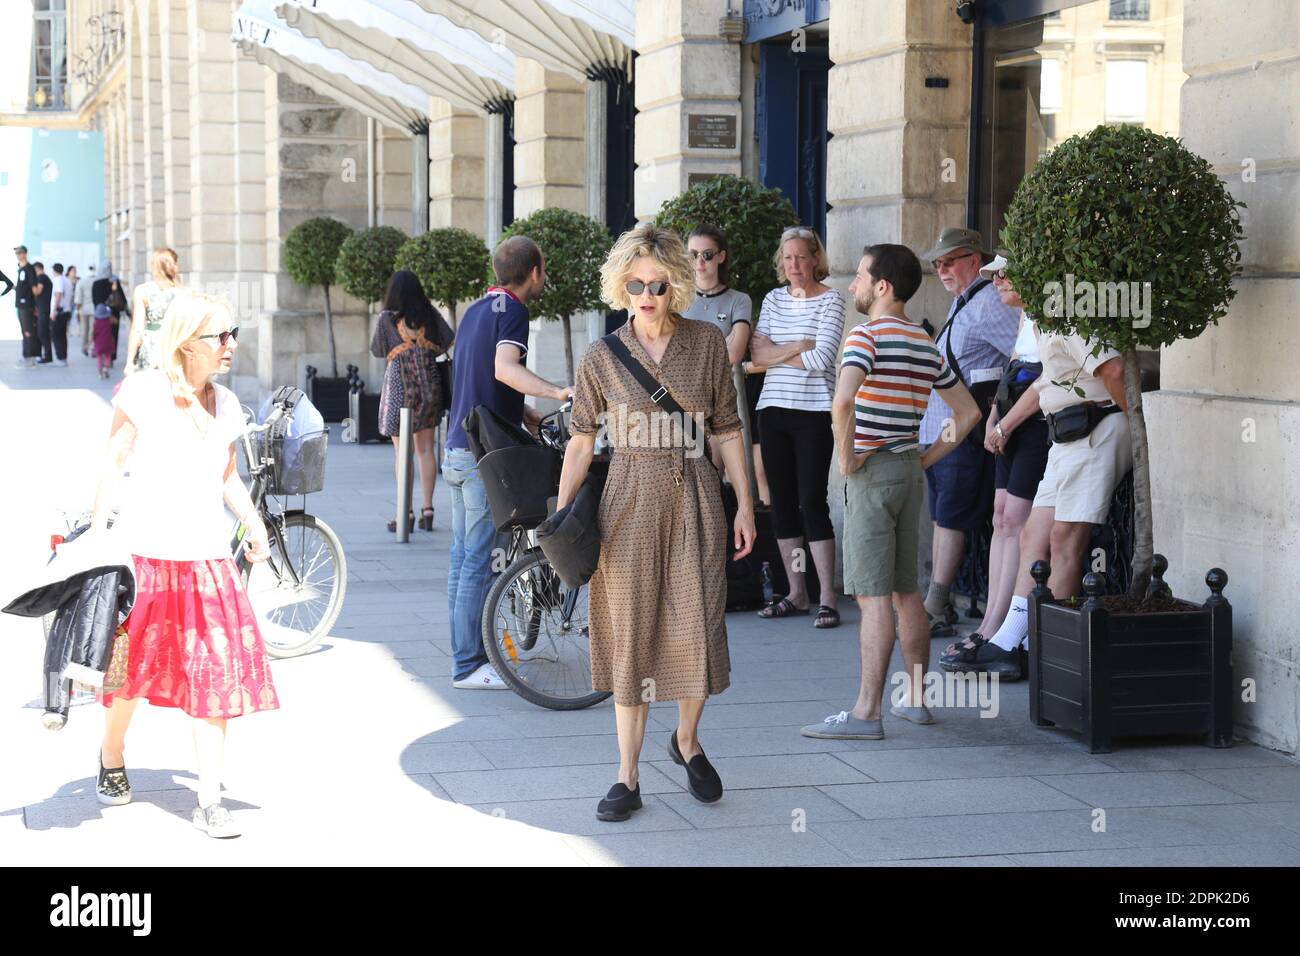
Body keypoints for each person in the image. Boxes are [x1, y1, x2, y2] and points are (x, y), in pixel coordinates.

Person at [558, 223, 755, 821]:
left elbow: (727, 429)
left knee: (696, 624)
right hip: (628, 502)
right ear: (622, 287)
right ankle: (627, 775)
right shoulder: (601, 356)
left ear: (679, 285)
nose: (648, 295)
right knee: (633, 634)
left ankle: (687, 741)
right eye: (637, 284)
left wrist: (745, 502)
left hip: (696, 493)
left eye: (660, 284)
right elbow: (581, 441)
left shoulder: (706, 346)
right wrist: (561, 516)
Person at [87, 291, 278, 838]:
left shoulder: (228, 403)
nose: (230, 345)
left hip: (207, 561)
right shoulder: (143, 393)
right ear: (186, 342)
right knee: (130, 676)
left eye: (231, 333)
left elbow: (226, 476)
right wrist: (99, 536)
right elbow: (112, 462)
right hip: (145, 560)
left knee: (215, 673)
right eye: (219, 336)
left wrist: (254, 523)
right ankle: (112, 753)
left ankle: (210, 798)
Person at [803, 244, 981, 741]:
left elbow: (842, 401)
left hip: (873, 473)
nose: (852, 285)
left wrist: (847, 457)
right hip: (907, 472)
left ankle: (866, 713)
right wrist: (922, 458)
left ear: (882, 286)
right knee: (907, 591)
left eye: (859, 276)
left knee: (873, 595)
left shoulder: (865, 337)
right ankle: (917, 701)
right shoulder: (927, 344)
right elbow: (967, 415)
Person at [442, 236, 572, 690]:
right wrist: (557, 392)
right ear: (534, 271)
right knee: (478, 559)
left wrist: (527, 413)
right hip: (483, 458)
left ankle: (467, 657)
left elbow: (477, 382)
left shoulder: (475, 311)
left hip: (457, 447)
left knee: (463, 558)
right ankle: (469, 665)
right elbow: (503, 369)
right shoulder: (514, 310)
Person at [969, 321, 1131, 680]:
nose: (1002, 281)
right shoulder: (1045, 319)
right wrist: (1004, 425)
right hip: (1066, 435)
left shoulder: (1071, 313)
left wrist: (1138, 427)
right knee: (1032, 535)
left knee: (1064, 541)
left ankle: (1044, 651)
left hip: (1094, 428)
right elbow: (1048, 382)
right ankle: (1012, 641)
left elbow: (1114, 369)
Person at [941, 253, 1051, 674]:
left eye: (1007, 273)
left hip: (1035, 426)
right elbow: (1013, 368)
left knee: (1018, 522)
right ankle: (991, 623)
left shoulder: (1052, 317)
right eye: (995, 273)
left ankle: (1007, 632)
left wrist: (1005, 424)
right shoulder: (1024, 317)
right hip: (1008, 421)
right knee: (1001, 517)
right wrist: (994, 415)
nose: (998, 280)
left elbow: (1047, 380)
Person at [917, 227, 1019, 638]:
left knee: (952, 518)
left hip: (964, 433)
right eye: (937, 263)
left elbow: (1022, 355)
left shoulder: (989, 301)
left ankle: (936, 603)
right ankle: (936, 601)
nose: (941, 269)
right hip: (944, 429)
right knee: (943, 515)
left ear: (975, 261)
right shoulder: (964, 303)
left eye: (950, 261)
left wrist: (997, 404)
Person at [749, 226, 846, 628]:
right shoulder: (772, 299)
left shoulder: (833, 300)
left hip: (813, 412)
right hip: (773, 410)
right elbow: (755, 352)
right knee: (781, 503)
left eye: (801, 257)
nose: (794, 265)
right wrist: (796, 346)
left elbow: (823, 359)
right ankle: (796, 592)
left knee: (812, 501)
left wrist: (775, 354)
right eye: (787, 258)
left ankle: (827, 596)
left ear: (815, 259)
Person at [680, 224, 760, 491]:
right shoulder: (677, 299)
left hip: (723, 400)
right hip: (678, 401)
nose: (700, 262)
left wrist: (693, 351)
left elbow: (735, 352)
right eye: (693, 255)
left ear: (721, 256)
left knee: (715, 473)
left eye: (707, 254)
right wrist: (718, 345)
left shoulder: (739, 300)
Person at [370, 270, 450, 531]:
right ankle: (428, 510)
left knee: (402, 452)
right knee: (426, 450)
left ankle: (407, 512)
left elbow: (377, 350)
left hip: (400, 387)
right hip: (429, 386)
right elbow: (448, 338)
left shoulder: (386, 319)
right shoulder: (429, 315)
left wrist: (400, 347)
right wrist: (426, 348)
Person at [126, 247, 183, 373]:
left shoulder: (143, 291)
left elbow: (137, 328)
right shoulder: (183, 292)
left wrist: (130, 360)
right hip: (175, 348)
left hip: (150, 348)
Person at [12, 245, 39, 368]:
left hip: (27, 305)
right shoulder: (20, 269)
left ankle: (31, 357)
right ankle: (26, 356)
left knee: (29, 331)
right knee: (24, 331)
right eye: (16, 253)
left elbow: (34, 289)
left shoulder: (29, 269)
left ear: (25, 254)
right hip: (20, 306)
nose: (18, 255)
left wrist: (36, 304)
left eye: (20, 253)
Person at [49, 262, 73, 366]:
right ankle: (63, 358)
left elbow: (59, 294)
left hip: (59, 311)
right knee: (62, 335)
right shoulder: (67, 280)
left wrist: (54, 310)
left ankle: (60, 358)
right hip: (66, 310)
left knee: (56, 335)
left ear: (54, 271)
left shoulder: (57, 280)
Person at [31, 262, 54, 366]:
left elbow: (38, 291)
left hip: (44, 310)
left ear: (36, 269)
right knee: (43, 333)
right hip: (43, 309)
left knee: (43, 334)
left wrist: (27, 290)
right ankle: (46, 356)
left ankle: (48, 357)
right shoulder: (45, 278)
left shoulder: (41, 277)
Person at [74, 264, 96, 356]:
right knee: (93, 329)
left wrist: (77, 310)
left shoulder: (81, 281)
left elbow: (78, 298)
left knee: (84, 329)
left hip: (83, 308)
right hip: (94, 308)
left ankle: (84, 347)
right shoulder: (97, 280)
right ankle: (92, 347)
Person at [92, 303, 116, 379]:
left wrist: (92, 340)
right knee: (108, 356)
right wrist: (110, 314)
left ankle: (100, 372)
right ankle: (106, 368)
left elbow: (93, 333)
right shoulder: (109, 321)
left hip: (99, 343)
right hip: (108, 341)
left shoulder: (96, 323)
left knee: (99, 357)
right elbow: (116, 321)